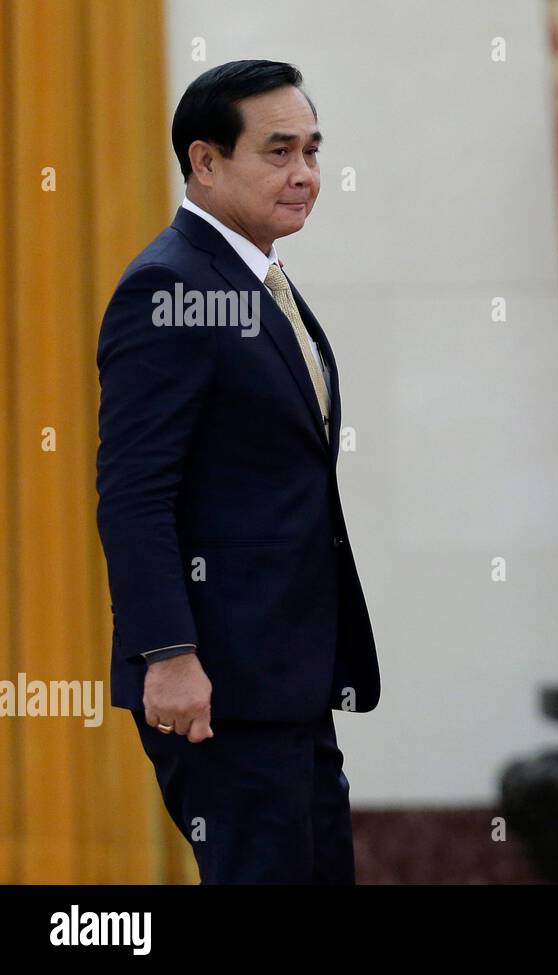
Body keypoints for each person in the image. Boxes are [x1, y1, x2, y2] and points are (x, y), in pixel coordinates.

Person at [95, 60, 379, 884]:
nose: (305, 175)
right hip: (217, 688)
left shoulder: (258, 278)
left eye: (313, 151)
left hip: (289, 682)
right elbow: (135, 494)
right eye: (279, 151)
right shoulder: (169, 286)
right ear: (205, 161)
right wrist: (171, 655)